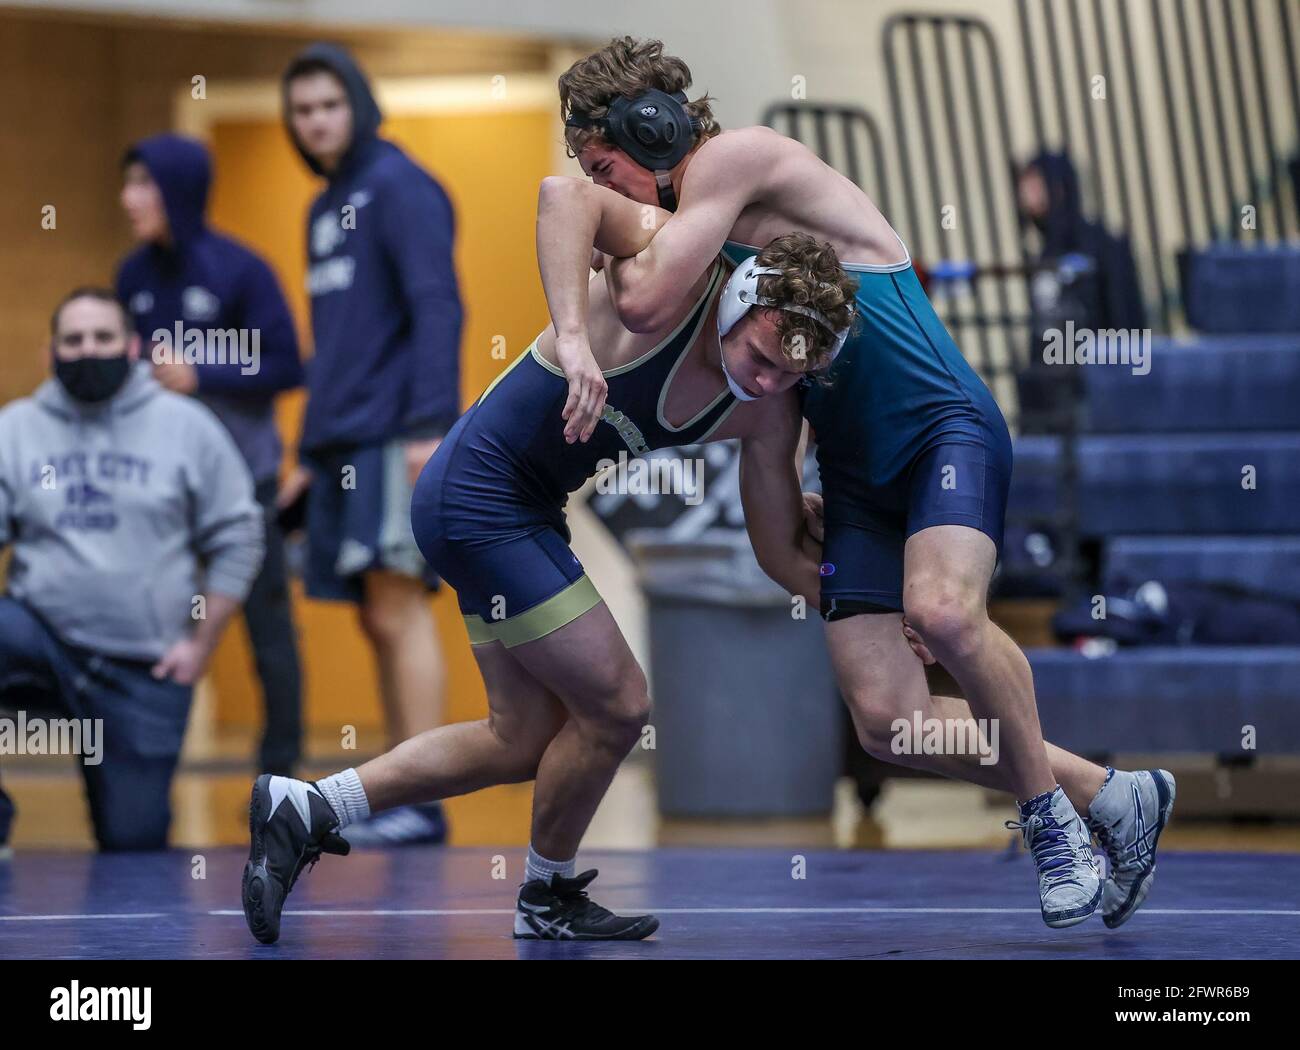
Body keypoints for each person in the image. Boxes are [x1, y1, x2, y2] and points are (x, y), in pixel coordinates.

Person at [535, 36, 1175, 930]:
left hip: (939, 423)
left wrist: (608, 256)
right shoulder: (702, 224)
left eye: (608, 167)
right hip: (854, 471)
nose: (609, 191)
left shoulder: (733, 161)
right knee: (887, 722)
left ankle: (1051, 826)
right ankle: (1112, 797)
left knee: (947, 613)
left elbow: (638, 302)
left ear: (653, 126)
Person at [242, 231, 855, 943]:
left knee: (522, 736)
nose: (769, 380)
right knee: (622, 705)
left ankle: (309, 808)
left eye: (791, 373)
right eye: (761, 357)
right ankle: (546, 891)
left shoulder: (768, 412)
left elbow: (779, 551)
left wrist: (874, 611)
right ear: (736, 306)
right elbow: (567, 196)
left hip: (515, 509)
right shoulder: (664, 292)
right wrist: (571, 331)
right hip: (479, 496)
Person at [0, 289, 263, 851]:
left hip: (144, 670)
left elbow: (239, 534)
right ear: (50, 353)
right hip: (40, 643)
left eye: (103, 338)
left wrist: (201, 646)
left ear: (133, 347)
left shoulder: (187, 425)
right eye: (73, 340)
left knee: (133, 847)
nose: (88, 350)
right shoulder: (17, 428)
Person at [281, 44, 464, 844]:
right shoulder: (325, 208)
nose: (315, 120)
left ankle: (419, 800)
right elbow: (338, 343)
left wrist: (430, 426)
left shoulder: (398, 186)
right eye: (301, 110)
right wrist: (308, 450)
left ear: (356, 101)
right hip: (343, 439)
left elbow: (437, 307)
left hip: (396, 431)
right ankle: (396, 794)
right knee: (376, 614)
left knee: (398, 601)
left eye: (327, 103)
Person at [117, 133, 306, 777]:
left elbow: (287, 363)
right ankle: (140, 769)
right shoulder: (132, 275)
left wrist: (201, 370)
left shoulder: (240, 269)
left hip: (242, 484)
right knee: (150, 622)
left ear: (177, 190)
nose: (128, 199)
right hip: (158, 486)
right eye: (128, 184)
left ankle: (279, 781)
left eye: (142, 184)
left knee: (267, 634)